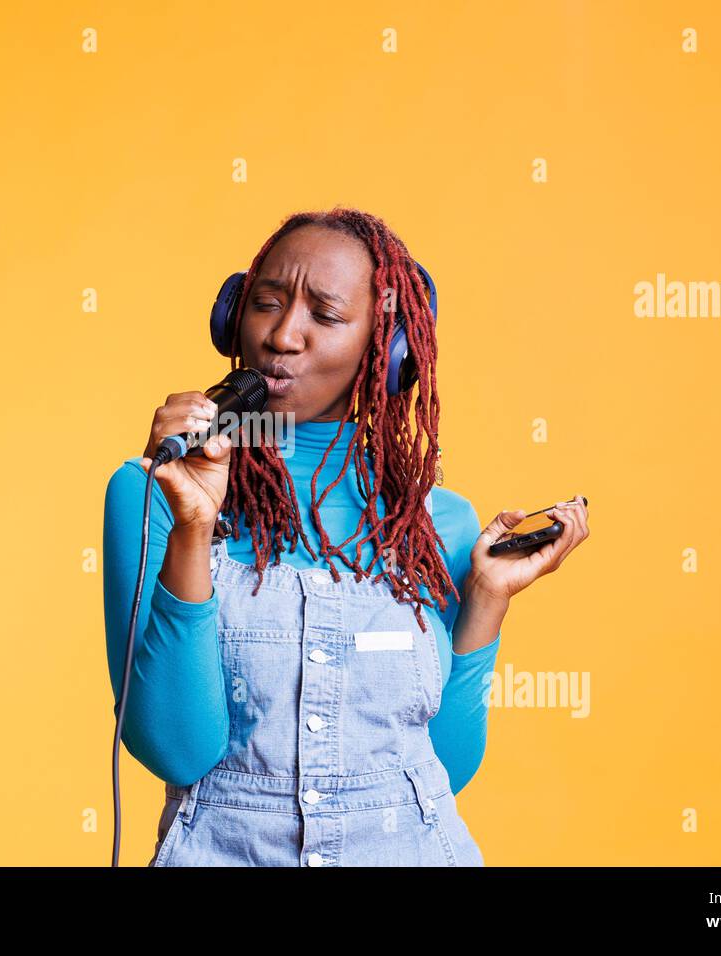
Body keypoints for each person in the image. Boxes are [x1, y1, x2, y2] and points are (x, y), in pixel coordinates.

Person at [102, 207, 590, 866]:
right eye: (266, 304)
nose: (281, 335)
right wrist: (194, 526)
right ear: (231, 320)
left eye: (324, 317)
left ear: (387, 352)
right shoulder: (153, 489)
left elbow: (442, 766)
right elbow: (177, 749)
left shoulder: (432, 522)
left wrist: (486, 604)